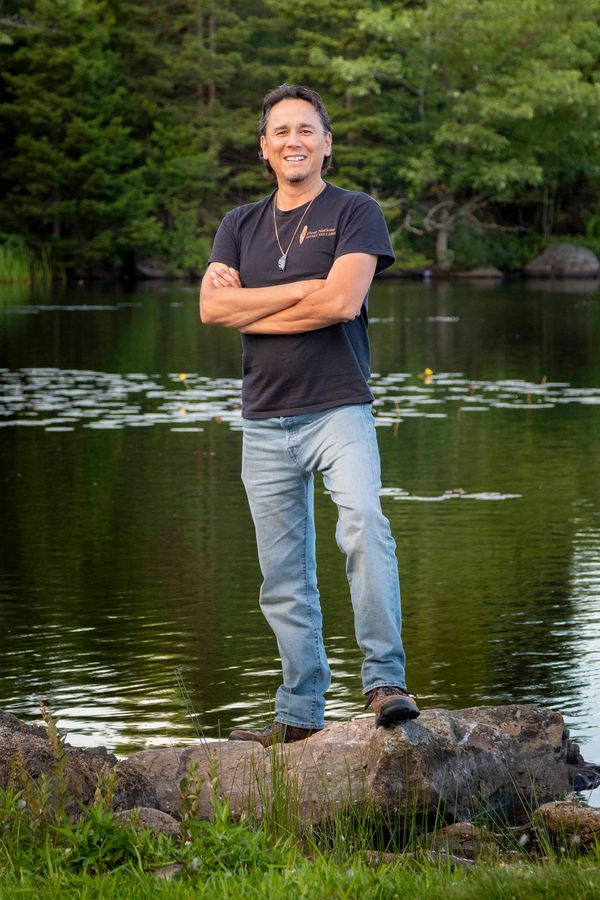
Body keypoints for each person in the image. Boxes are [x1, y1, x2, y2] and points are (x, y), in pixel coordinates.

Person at [199, 84, 419, 747]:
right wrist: (302, 288)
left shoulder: (356, 213)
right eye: (280, 131)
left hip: (338, 407)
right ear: (264, 148)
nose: (293, 140)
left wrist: (261, 301)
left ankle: (385, 682)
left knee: (363, 526)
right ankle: (299, 717)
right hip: (265, 418)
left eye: (306, 129)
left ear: (327, 143)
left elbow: (342, 304)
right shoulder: (238, 224)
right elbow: (211, 311)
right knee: (283, 575)